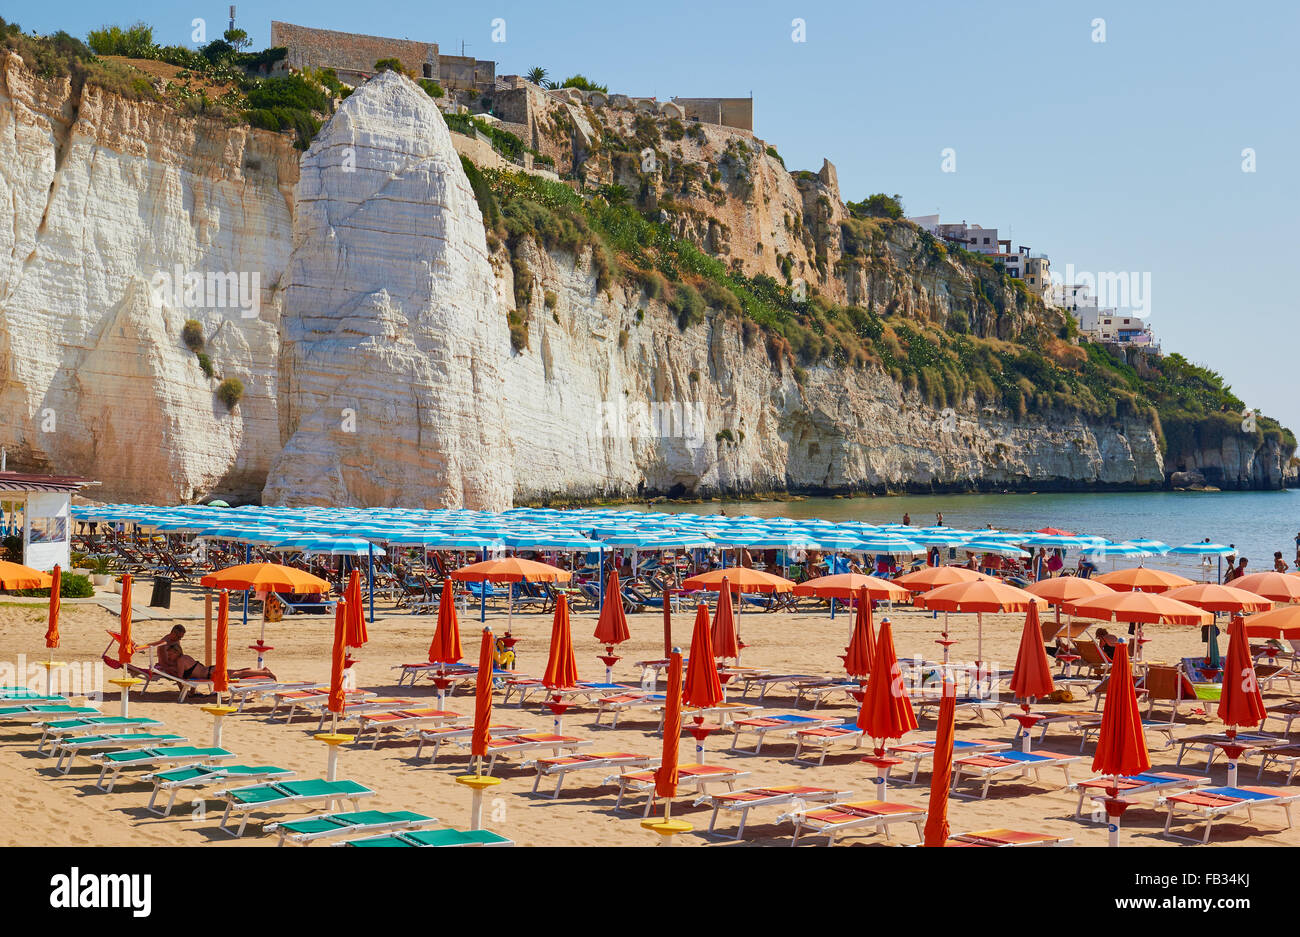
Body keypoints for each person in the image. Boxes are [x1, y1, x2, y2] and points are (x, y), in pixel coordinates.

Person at [146, 625, 276, 683]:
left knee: (238, 674)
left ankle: (265, 672)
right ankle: (261, 670)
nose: (180, 639)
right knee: (237, 672)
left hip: (210, 672)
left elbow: (182, 677)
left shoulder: (179, 654)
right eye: (179, 636)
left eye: (182, 637)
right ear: (173, 633)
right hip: (208, 670)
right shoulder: (166, 642)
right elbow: (152, 645)